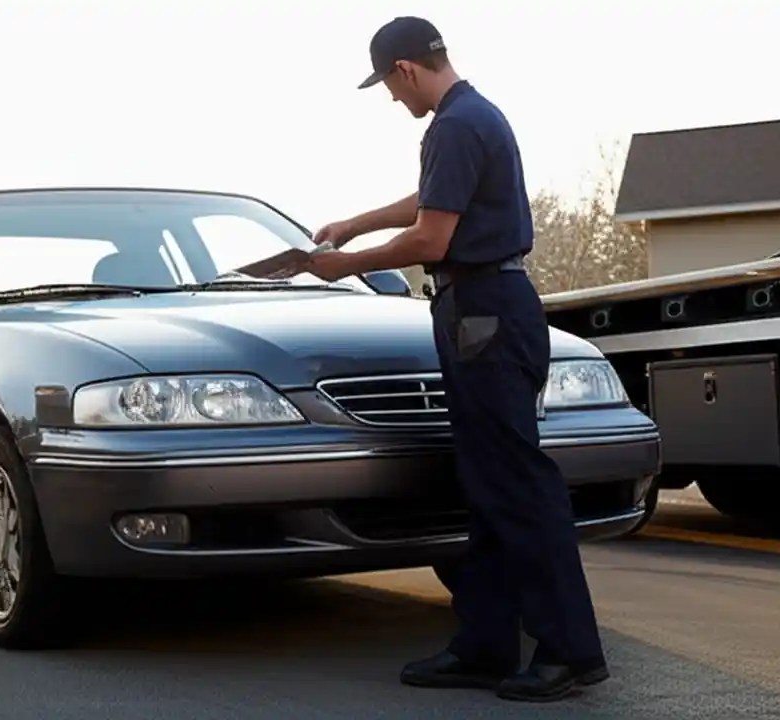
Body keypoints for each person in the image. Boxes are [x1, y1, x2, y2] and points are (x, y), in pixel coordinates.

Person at [305, 16, 609, 704]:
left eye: (388, 84)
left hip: (485, 313)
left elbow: (433, 238)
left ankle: (567, 653)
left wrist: (344, 265)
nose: (391, 98)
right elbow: (432, 200)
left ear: (406, 70)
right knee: (487, 482)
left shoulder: (452, 124)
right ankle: (485, 645)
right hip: (487, 309)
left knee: (516, 484)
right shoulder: (470, 118)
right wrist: (355, 223)